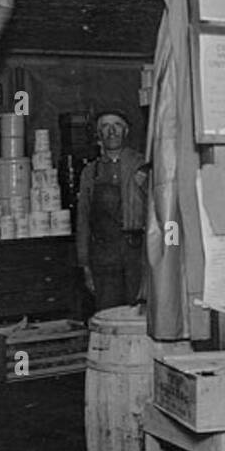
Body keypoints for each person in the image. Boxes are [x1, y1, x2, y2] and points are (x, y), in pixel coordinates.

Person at [76, 109, 149, 310]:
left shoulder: (143, 165)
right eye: (105, 127)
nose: (111, 131)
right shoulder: (90, 172)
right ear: (98, 134)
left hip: (136, 253)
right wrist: (84, 265)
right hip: (104, 256)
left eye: (117, 125)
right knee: (108, 313)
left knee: (139, 314)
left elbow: (164, 212)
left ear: (126, 131)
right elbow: (82, 221)